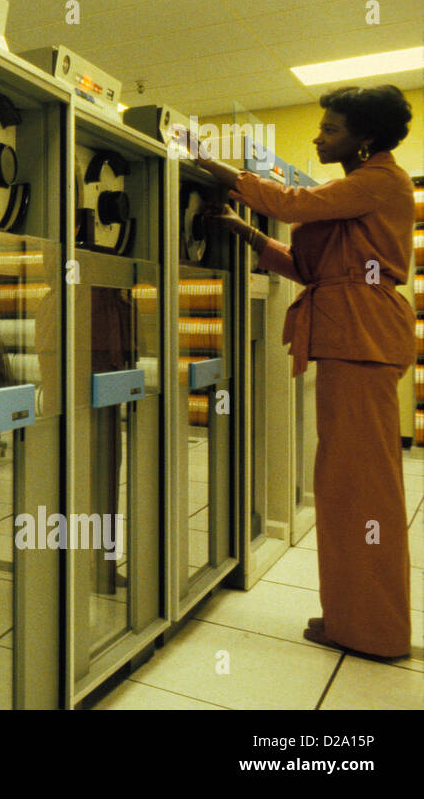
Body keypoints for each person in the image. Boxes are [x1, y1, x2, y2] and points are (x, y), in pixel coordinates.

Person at [194, 85, 414, 661]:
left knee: (364, 488)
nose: (319, 136)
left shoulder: (382, 180)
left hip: (361, 336)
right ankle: (351, 617)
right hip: (349, 333)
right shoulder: (353, 190)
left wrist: (216, 167)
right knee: (343, 484)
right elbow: (314, 270)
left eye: (331, 129)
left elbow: (291, 204)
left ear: (364, 140)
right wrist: (247, 234)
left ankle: (377, 630)